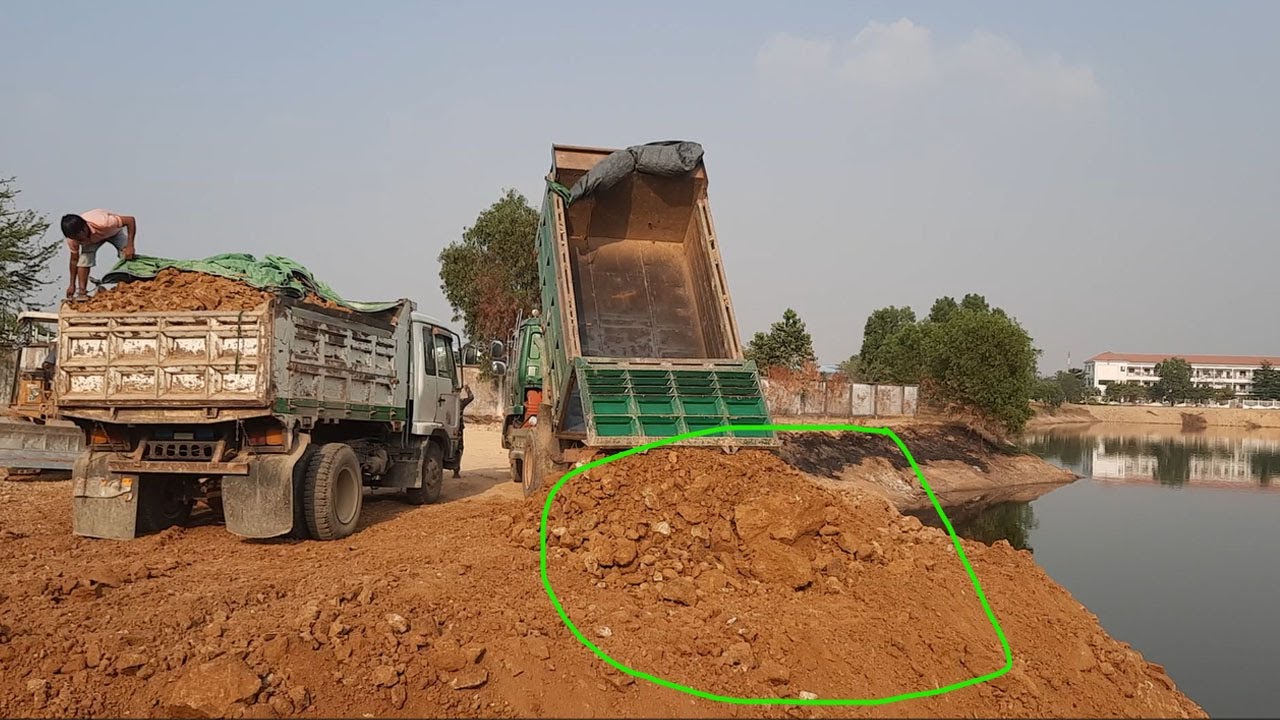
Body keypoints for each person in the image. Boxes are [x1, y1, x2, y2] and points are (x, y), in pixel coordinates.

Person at [61, 209, 137, 300]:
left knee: (127, 254)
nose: (79, 241)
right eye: (76, 239)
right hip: (91, 241)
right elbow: (74, 260)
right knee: (84, 260)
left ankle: (131, 283)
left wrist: (130, 245)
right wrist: (72, 285)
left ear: (84, 229)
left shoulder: (104, 222)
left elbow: (130, 220)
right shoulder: (73, 239)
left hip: (113, 232)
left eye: (79, 239)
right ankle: (82, 292)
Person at [454, 385, 475, 478]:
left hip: (450, 428)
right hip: (458, 430)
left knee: (457, 449)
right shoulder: (460, 403)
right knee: (459, 448)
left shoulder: (449, 401)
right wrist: (467, 389)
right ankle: (456, 470)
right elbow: (471, 397)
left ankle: (456, 470)